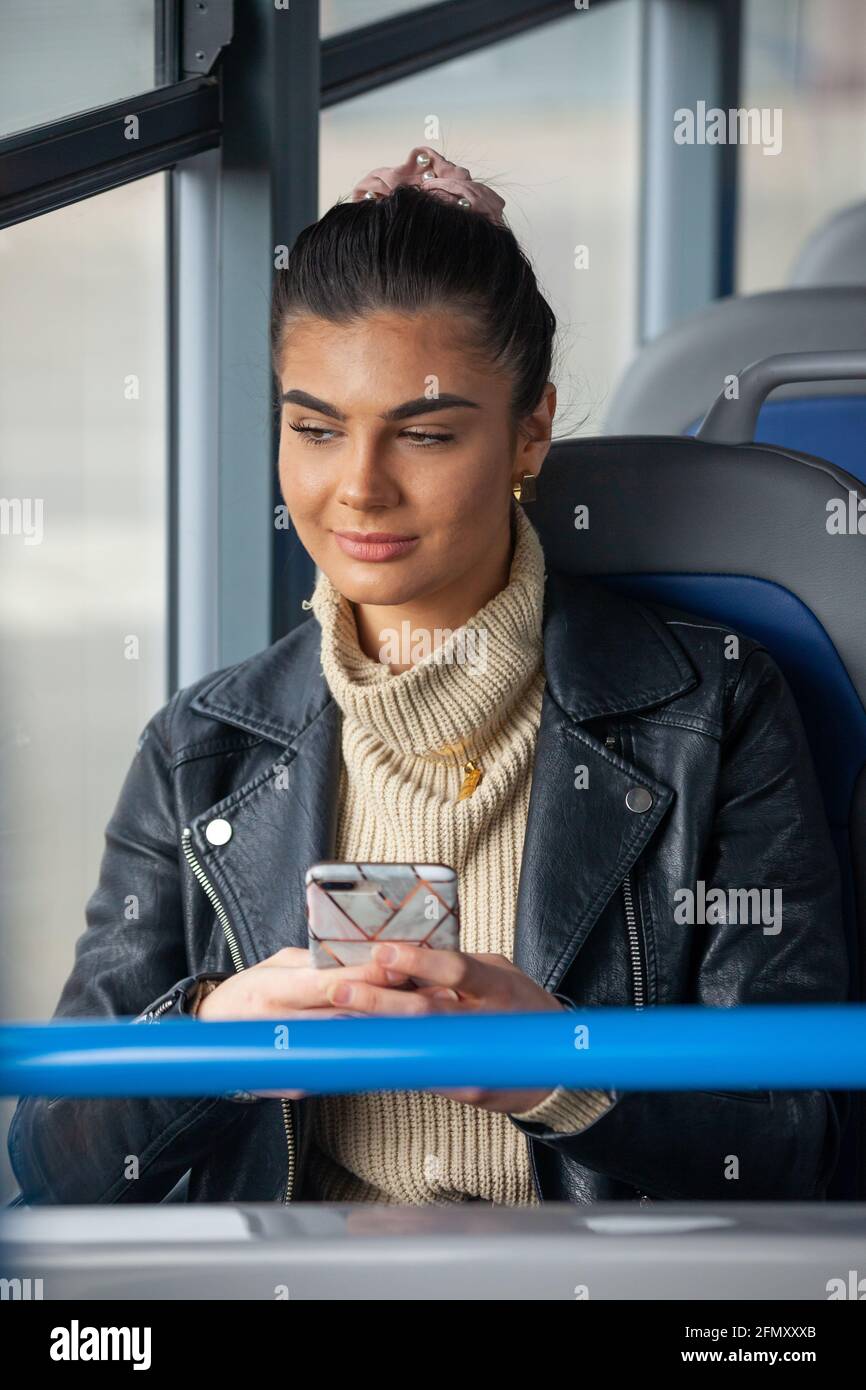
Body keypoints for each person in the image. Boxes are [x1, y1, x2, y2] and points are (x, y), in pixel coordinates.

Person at [7, 147, 848, 1207]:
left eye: (426, 434)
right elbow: (52, 1162)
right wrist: (211, 1036)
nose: (357, 489)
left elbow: (799, 1138)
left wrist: (565, 1072)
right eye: (314, 428)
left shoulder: (712, 709)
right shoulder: (201, 751)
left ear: (529, 431)